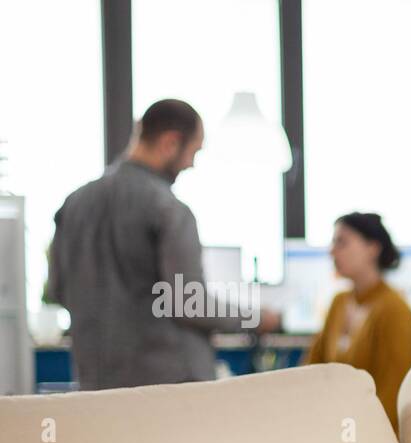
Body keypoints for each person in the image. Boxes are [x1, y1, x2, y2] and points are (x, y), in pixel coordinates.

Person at [47, 99, 277, 389]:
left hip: (97, 387)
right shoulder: (168, 209)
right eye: (194, 151)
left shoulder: (73, 205)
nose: (191, 164)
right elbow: (190, 303)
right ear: (170, 143)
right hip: (167, 390)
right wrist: (257, 317)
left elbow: (58, 289)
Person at [303, 212, 411, 433]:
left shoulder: (395, 311)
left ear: (372, 248)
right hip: (335, 428)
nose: (332, 251)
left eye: (342, 242)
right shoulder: (338, 303)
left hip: (372, 437)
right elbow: (312, 370)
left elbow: (394, 396)